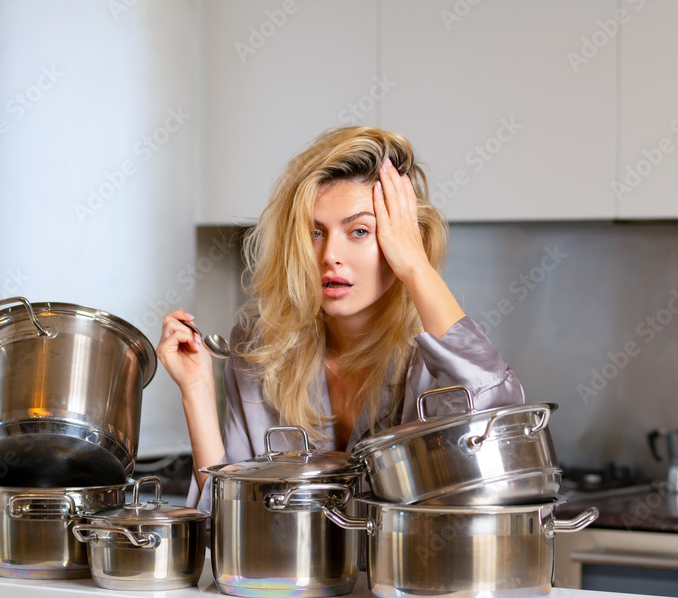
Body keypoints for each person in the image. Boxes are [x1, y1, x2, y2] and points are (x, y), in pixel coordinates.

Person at [156, 126, 523, 509]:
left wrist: (416, 267)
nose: (330, 254)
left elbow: (498, 427)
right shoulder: (259, 349)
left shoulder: (439, 360)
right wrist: (196, 392)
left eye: (359, 231)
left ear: (408, 239)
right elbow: (231, 513)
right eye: (314, 233)